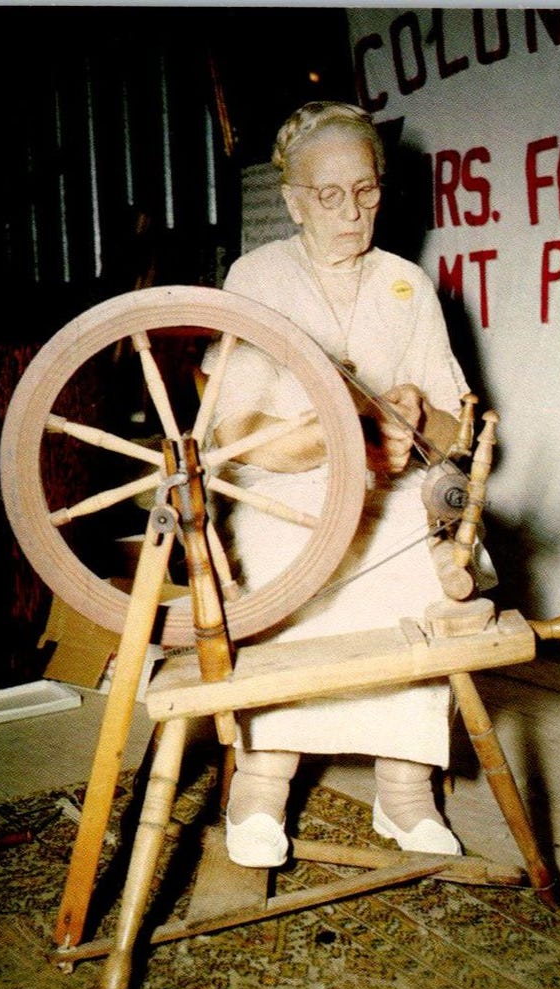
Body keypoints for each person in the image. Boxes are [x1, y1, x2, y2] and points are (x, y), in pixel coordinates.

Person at [203, 101, 472, 868]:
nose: (353, 212)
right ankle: (262, 781)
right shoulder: (254, 276)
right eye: (328, 195)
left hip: (385, 496)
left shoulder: (405, 284)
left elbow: (458, 428)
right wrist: (333, 435)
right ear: (292, 203)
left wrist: (421, 419)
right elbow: (230, 436)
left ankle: (405, 786)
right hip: (283, 492)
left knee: (421, 563)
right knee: (292, 565)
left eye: (367, 190)